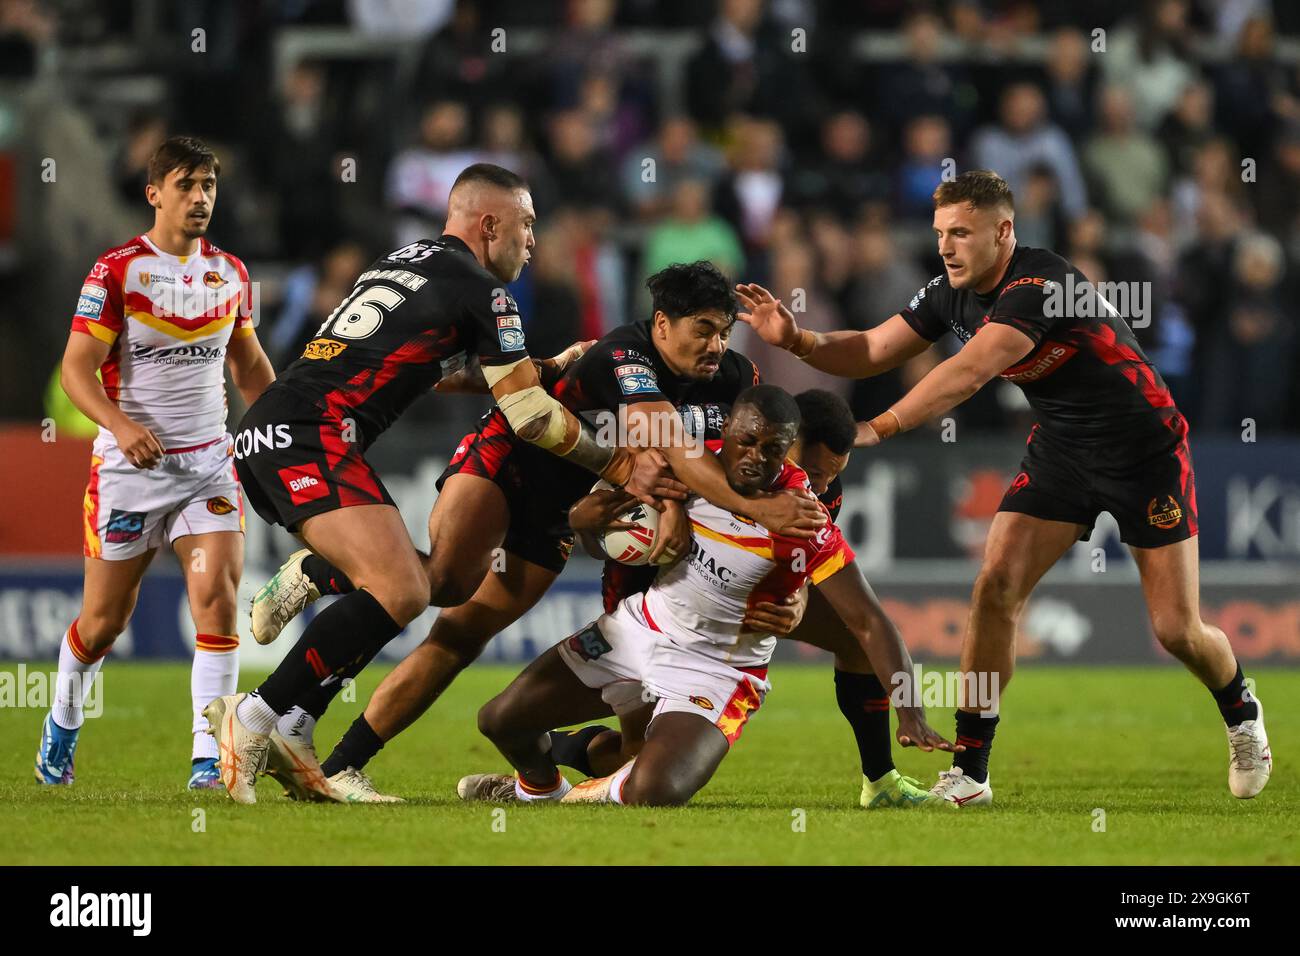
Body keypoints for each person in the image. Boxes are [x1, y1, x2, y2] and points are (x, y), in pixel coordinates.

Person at [734, 169, 1271, 805]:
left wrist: (879, 426)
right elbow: (876, 346)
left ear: (1004, 232)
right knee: (995, 587)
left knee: (1177, 629)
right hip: (1063, 450)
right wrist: (797, 339)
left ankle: (1241, 713)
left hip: (1144, 449)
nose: (947, 246)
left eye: (961, 232)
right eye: (940, 233)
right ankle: (972, 771)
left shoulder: (1042, 286)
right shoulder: (950, 290)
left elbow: (970, 369)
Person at [247, 261, 826, 802]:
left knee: (460, 636)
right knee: (446, 581)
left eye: (724, 331)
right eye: (702, 329)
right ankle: (323, 571)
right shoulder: (620, 355)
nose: (715, 345)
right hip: (510, 459)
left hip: (564, 507)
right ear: (661, 323)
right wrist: (699, 511)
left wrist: (793, 579)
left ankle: (344, 764)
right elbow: (666, 444)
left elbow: (762, 457)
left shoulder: (734, 379)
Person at [207, 163, 679, 804]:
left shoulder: (401, 262)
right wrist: (621, 466)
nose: (533, 239)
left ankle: (296, 721)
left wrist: (537, 366)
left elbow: (425, 372)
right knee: (402, 588)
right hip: (314, 433)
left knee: (436, 583)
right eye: (527, 224)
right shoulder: (485, 291)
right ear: (491, 224)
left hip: (281, 428)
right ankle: (256, 715)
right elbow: (531, 415)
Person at [459, 385, 898, 806]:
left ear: (786, 449)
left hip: (714, 670)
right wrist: (584, 524)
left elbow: (867, 619)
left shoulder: (803, 511)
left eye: (771, 450)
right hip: (635, 629)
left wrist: (909, 708)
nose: (756, 456)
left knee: (653, 788)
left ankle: (575, 791)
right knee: (500, 720)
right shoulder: (684, 460)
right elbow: (606, 542)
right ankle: (538, 790)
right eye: (747, 441)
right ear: (726, 430)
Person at [550, 390, 959, 809]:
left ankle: (881, 782)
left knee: (856, 640)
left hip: (732, 606)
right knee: (636, 757)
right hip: (644, 587)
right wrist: (669, 504)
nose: (821, 487)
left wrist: (798, 596)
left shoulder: (812, 497)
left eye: (831, 477)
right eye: (815, 472)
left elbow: (805, 563)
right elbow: (647, 445)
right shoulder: (711, 441)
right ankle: (564, 751)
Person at [35, 136, 274, 790]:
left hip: (207, 468)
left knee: (217, 603)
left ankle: (207, 754)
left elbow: (248, 367)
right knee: (103, 622)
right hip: (129, 473)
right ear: (154, 193)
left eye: (209, 187)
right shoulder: (117, 272)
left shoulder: (231, 274)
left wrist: (282, 432)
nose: (200, 198)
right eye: (187, 185)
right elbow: (76, 368)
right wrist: (118, 423)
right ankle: (61, 722)